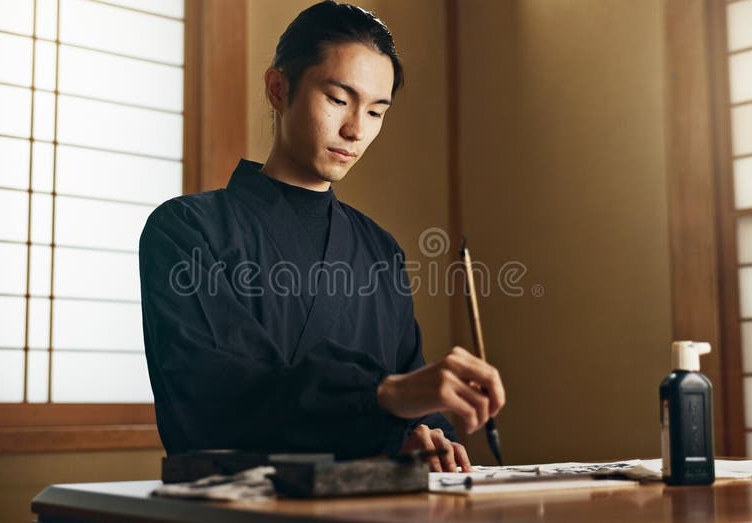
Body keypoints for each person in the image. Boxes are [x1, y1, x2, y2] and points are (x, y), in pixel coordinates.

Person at [138, 0, 505, 473]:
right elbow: (218, 398)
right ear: (278, 88)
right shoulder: (187, 230)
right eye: (337, 99)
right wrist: (384, 399)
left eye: (376, 112)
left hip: (371, 506)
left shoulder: (380, 251)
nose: (355, 130)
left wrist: (426, 434)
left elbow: (412, 391)